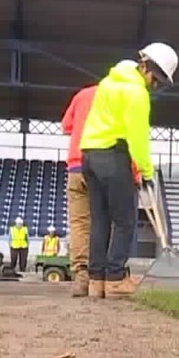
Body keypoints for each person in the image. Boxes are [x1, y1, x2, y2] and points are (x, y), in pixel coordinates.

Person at [79, 42, 178, 299]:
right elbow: (138, 138)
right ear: (146, 68)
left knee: (100, 221)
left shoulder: (108, 83)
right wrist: (146, 172)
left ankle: (96, 281)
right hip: (114, 154)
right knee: (125, 221)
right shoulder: (137, 94)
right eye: (155, 80)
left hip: (89, 155)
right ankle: (115, 279)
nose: (154, 86)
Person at [62, 84, 143, 298]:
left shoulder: (82, 94)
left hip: (76, 165)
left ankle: (83, 278)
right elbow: (131, 138)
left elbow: (66, 126)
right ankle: (111, 275)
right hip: (107, 163)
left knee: (81, 223)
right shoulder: (123, 98)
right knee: (110, 219)